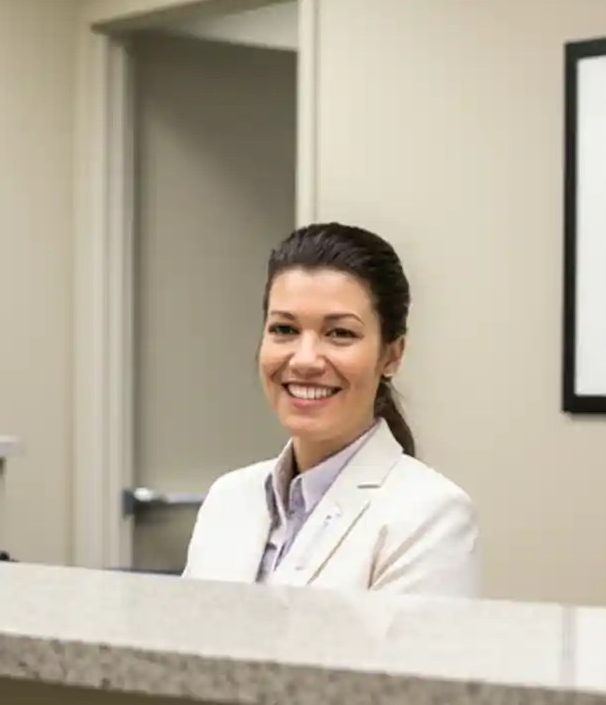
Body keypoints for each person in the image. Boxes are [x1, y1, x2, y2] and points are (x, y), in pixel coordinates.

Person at [182, 223, 479, 597]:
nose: (304, 360)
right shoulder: (228, 499)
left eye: (340, 333)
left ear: (391, 355)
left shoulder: (431, 515)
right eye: (285, 329)